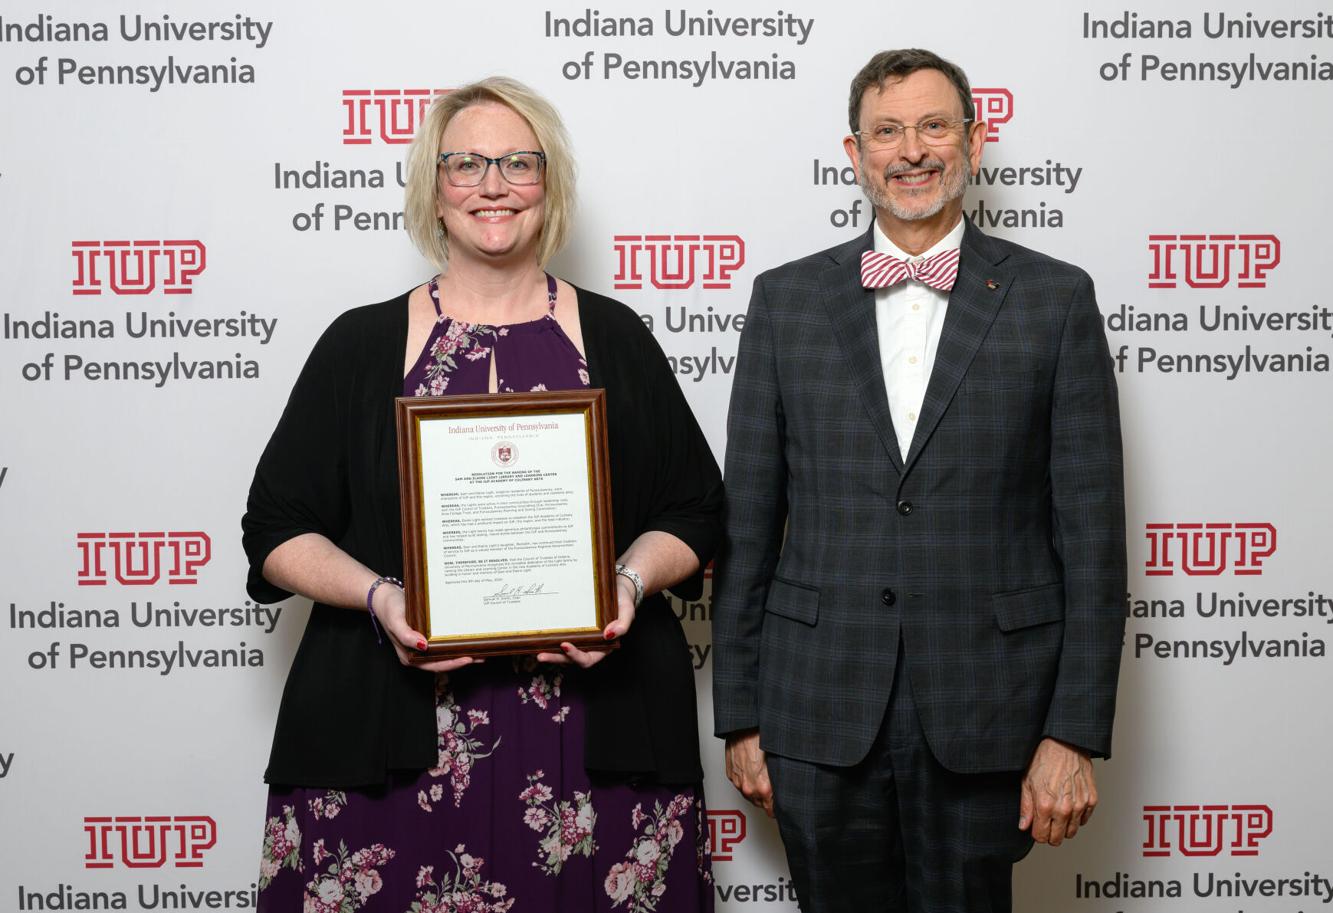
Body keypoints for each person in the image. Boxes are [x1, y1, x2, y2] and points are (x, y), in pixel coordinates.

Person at [243, 76, 722, 913]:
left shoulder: (617, 338)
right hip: (388, 739)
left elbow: (694, 510)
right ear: (433, 186)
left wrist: (627, 583)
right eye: (465, 163)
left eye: (517, 163)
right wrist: (379, 595)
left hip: (592, 740)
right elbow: (277, 528)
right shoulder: (360, 345)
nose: (491, 185)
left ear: (551, 184)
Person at [711, 48, 1126, 913]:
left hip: (989, 710)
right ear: (853, 151)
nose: (912, 151)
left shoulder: (1054, 300)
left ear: (974, 140)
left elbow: (1092, 540)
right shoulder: (784, 301)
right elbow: (747, 528)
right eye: (887, 131)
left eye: (934, 126)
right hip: (817, 711)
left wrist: (1071, 731)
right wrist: (742, 716)